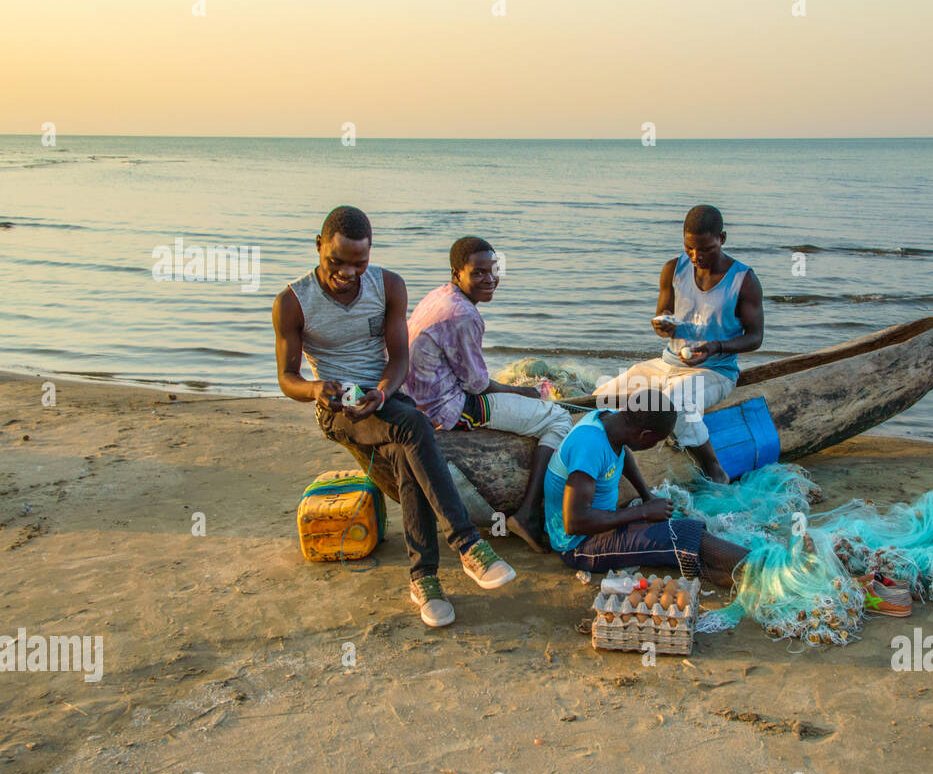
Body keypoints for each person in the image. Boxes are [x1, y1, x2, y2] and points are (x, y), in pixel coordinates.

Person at [272, 206, 516, 629]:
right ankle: (468, 544)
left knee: (408, 455)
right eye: (336, 262)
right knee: (414, 426)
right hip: (336, 400)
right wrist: (316, 389)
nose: (348, 273)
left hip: (384, 393)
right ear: (318, 247)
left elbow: (399, 358)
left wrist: (383, 391)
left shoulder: (388, 286)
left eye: (358, 263)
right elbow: (287, 378)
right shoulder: (293, 302)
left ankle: (424, 580)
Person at [404, 236, 573, 553]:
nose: (490, 279)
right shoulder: (465, 315)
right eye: (478, 272)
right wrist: (524, 392)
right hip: (449, 407)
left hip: (422, 397)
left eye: (493, 270)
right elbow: (478, 385)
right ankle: (526, 514)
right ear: (458, 274)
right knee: (560, 419)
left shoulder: (440, 296)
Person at [592, 205, 764, 484]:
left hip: (715, 371)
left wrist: (715, 347)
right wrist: (663, 325)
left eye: (706, 248)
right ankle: (617, 458)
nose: (697, 256)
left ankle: (713, 469)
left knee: (675, 404)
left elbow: (755, 337)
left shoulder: (744, 280)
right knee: (603, 397)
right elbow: (663, 317)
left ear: (722, 238)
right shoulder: (673, 269)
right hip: (666, 364)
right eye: (689, 248)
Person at [544, 388, 751, 586]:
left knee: (683, 532)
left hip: (601, 522)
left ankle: (732, 572)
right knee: (679, 533)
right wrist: (642, 512)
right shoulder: (590, 445)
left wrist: (646, 495)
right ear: (644, 435)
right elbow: (575, 522)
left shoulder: (611, 421)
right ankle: (755, 566)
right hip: (578, 545)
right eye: (655, 441)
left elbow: (623, 454)